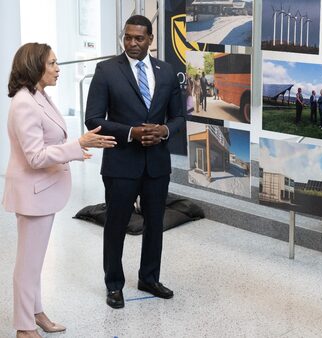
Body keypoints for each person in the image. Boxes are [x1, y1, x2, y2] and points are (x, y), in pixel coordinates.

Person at [3, 43, 116, 338]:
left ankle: (36, 313)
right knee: (28, 265)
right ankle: (24, 328)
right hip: (32, 193)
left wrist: (78, 142)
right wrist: (78, 146)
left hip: (41, 192)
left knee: (35, 260)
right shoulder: (24, 103)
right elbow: (36, 157)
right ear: (35, 67)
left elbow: (48, 143)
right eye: (52, 63)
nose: (58, 68)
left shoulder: (38, 95)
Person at [84, 15, 185, 309]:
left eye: (139, 38)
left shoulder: (166, 72)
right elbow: (93, 118)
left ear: (150, 40)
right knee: (116, 224)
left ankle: (149, 278)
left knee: (155, 224)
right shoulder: (106, 71)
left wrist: (164, 130)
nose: (132, 43)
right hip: (121, 164)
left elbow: (179, 117)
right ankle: (113, 284)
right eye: (127, 37)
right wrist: (131, 132)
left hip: (156, 164)